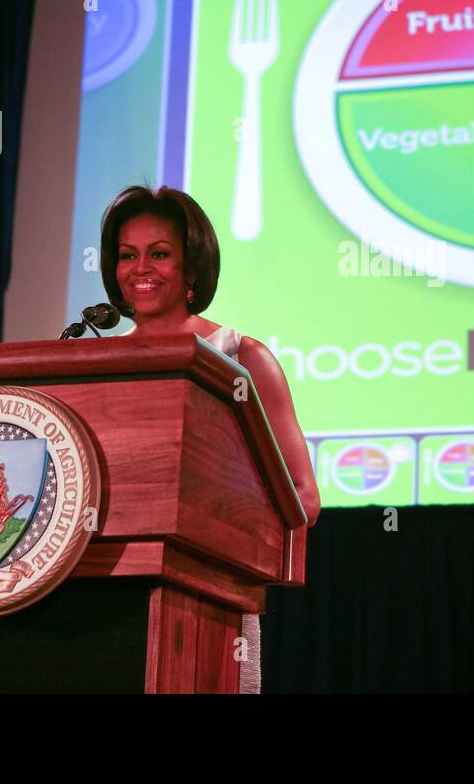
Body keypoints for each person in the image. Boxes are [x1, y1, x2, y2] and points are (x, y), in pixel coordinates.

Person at [100, 185, 321, 693]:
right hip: (102, 589)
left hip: (205, 599)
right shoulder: (97, 363)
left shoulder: (239, 357)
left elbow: (303, 500)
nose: (141, 269)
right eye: (127, 256)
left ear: (192, 267)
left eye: (160, 254)